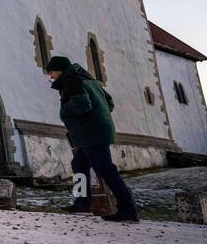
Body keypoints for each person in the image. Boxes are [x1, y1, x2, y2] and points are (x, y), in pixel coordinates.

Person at [46, 55, 138, 222]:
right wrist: (99, 115)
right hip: (92, 131)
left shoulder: (71, 80)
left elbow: (81, 104)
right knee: (79, 164)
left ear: (59, 70)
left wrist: (64, 112)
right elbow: (109, 102)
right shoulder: (88, 80)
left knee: (105, 169)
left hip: (91, 133)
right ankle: (82, 203)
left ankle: (127, 209)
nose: (50, 76)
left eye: (51, 72)